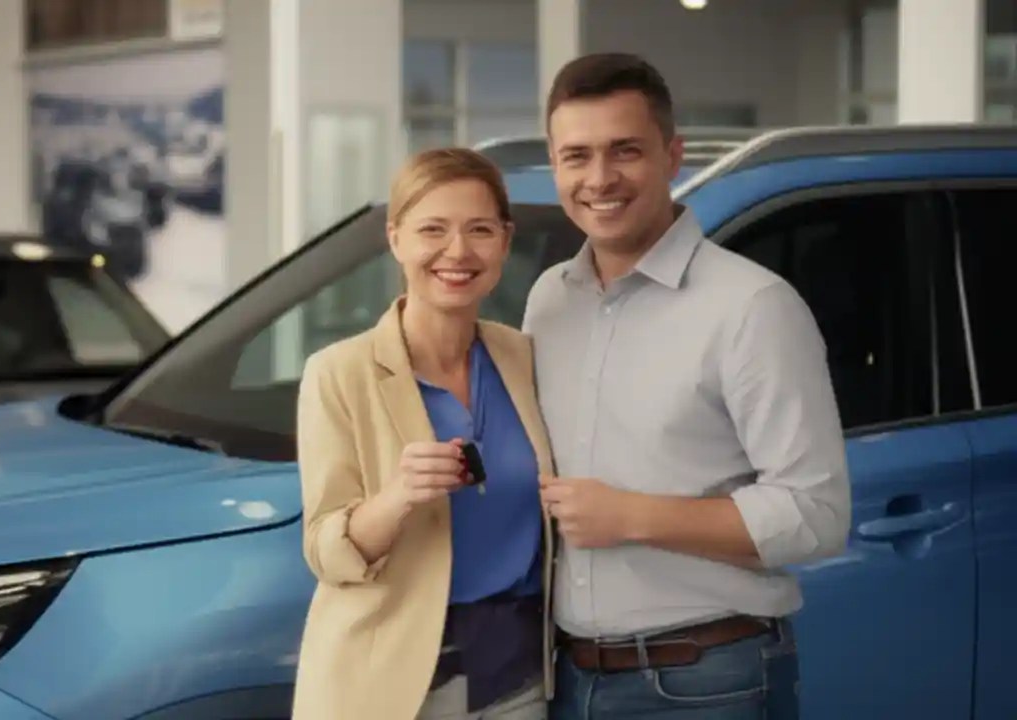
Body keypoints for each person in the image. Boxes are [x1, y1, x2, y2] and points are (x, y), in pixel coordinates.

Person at [523, 52, 852, 719]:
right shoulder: (548, 300)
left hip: (707, 683)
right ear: (555, 165)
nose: (599, 178)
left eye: (625, 150)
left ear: (672, 157)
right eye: (577, 156)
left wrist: (630, 516)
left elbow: (816, 517)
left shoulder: (752, 306)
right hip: (566, 680)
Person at [293, 148, 555, 720]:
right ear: (395, 239)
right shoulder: (339, 372)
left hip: (518, 674)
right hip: (392, 681)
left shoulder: (522, 356)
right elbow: (325, 554)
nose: (457, 251)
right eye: (432, 229)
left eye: (479, 229)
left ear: (505, 241)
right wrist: (397, 498)